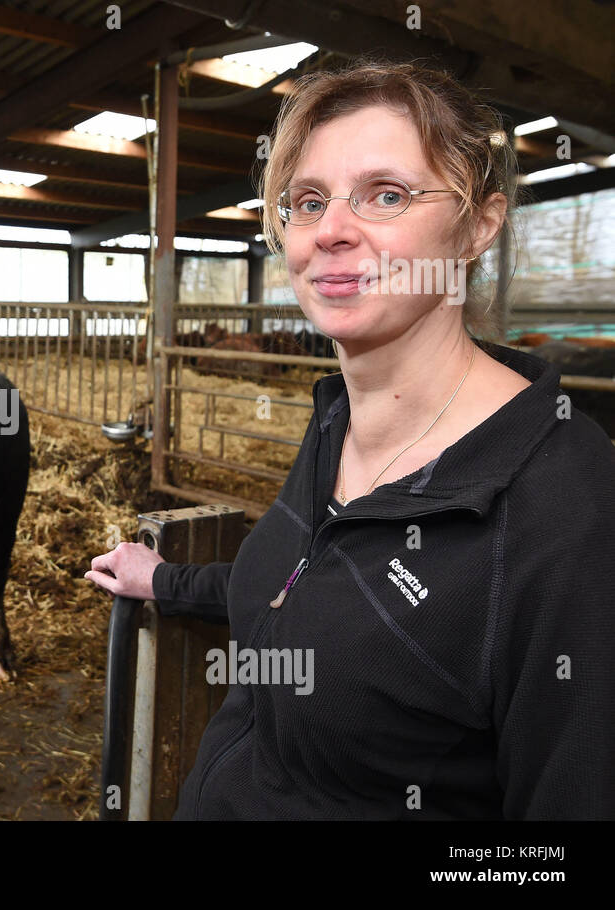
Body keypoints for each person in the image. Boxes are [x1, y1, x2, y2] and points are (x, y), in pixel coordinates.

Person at [84, 60, 615, 820]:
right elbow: (307, 587)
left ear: (478, 225)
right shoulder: (336, 419)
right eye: (306, 201)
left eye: (387, 194)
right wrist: (163, 582)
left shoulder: (567, 514)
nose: (330, 230)